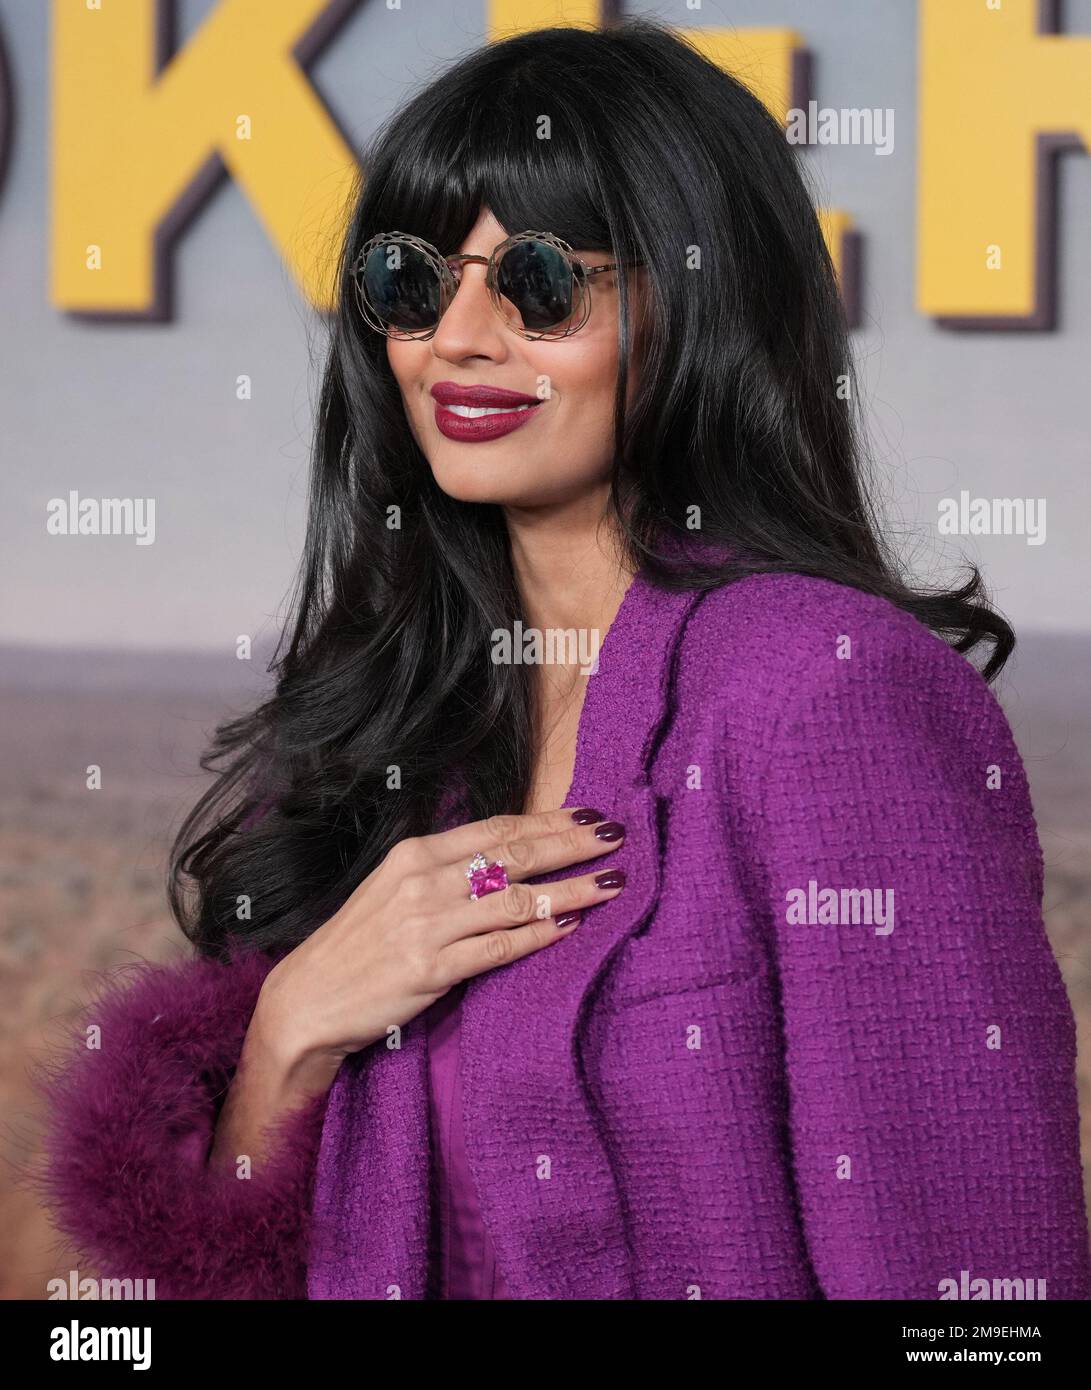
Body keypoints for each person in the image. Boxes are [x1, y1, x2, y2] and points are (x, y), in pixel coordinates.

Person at [32, 18, 1090, 1300]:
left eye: (537, 283)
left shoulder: (825, 692)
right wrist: (289, 1036)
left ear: (698, 303)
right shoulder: (384, 723)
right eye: (413, 281)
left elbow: (975, 1293)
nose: (459, 337)